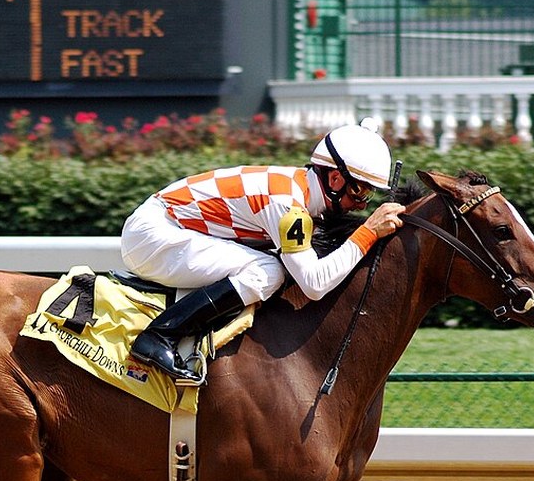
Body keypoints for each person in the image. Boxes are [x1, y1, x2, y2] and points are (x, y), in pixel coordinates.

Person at [120, 117, 406, 382]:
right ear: (335, 180)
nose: (362, 205)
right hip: (153, 236)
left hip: (167, 229)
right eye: (360, 191)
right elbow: (315, 285)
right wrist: (367, 233)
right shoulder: (287, 206)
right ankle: (160, 335)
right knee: (269, 271)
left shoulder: (299, 194)